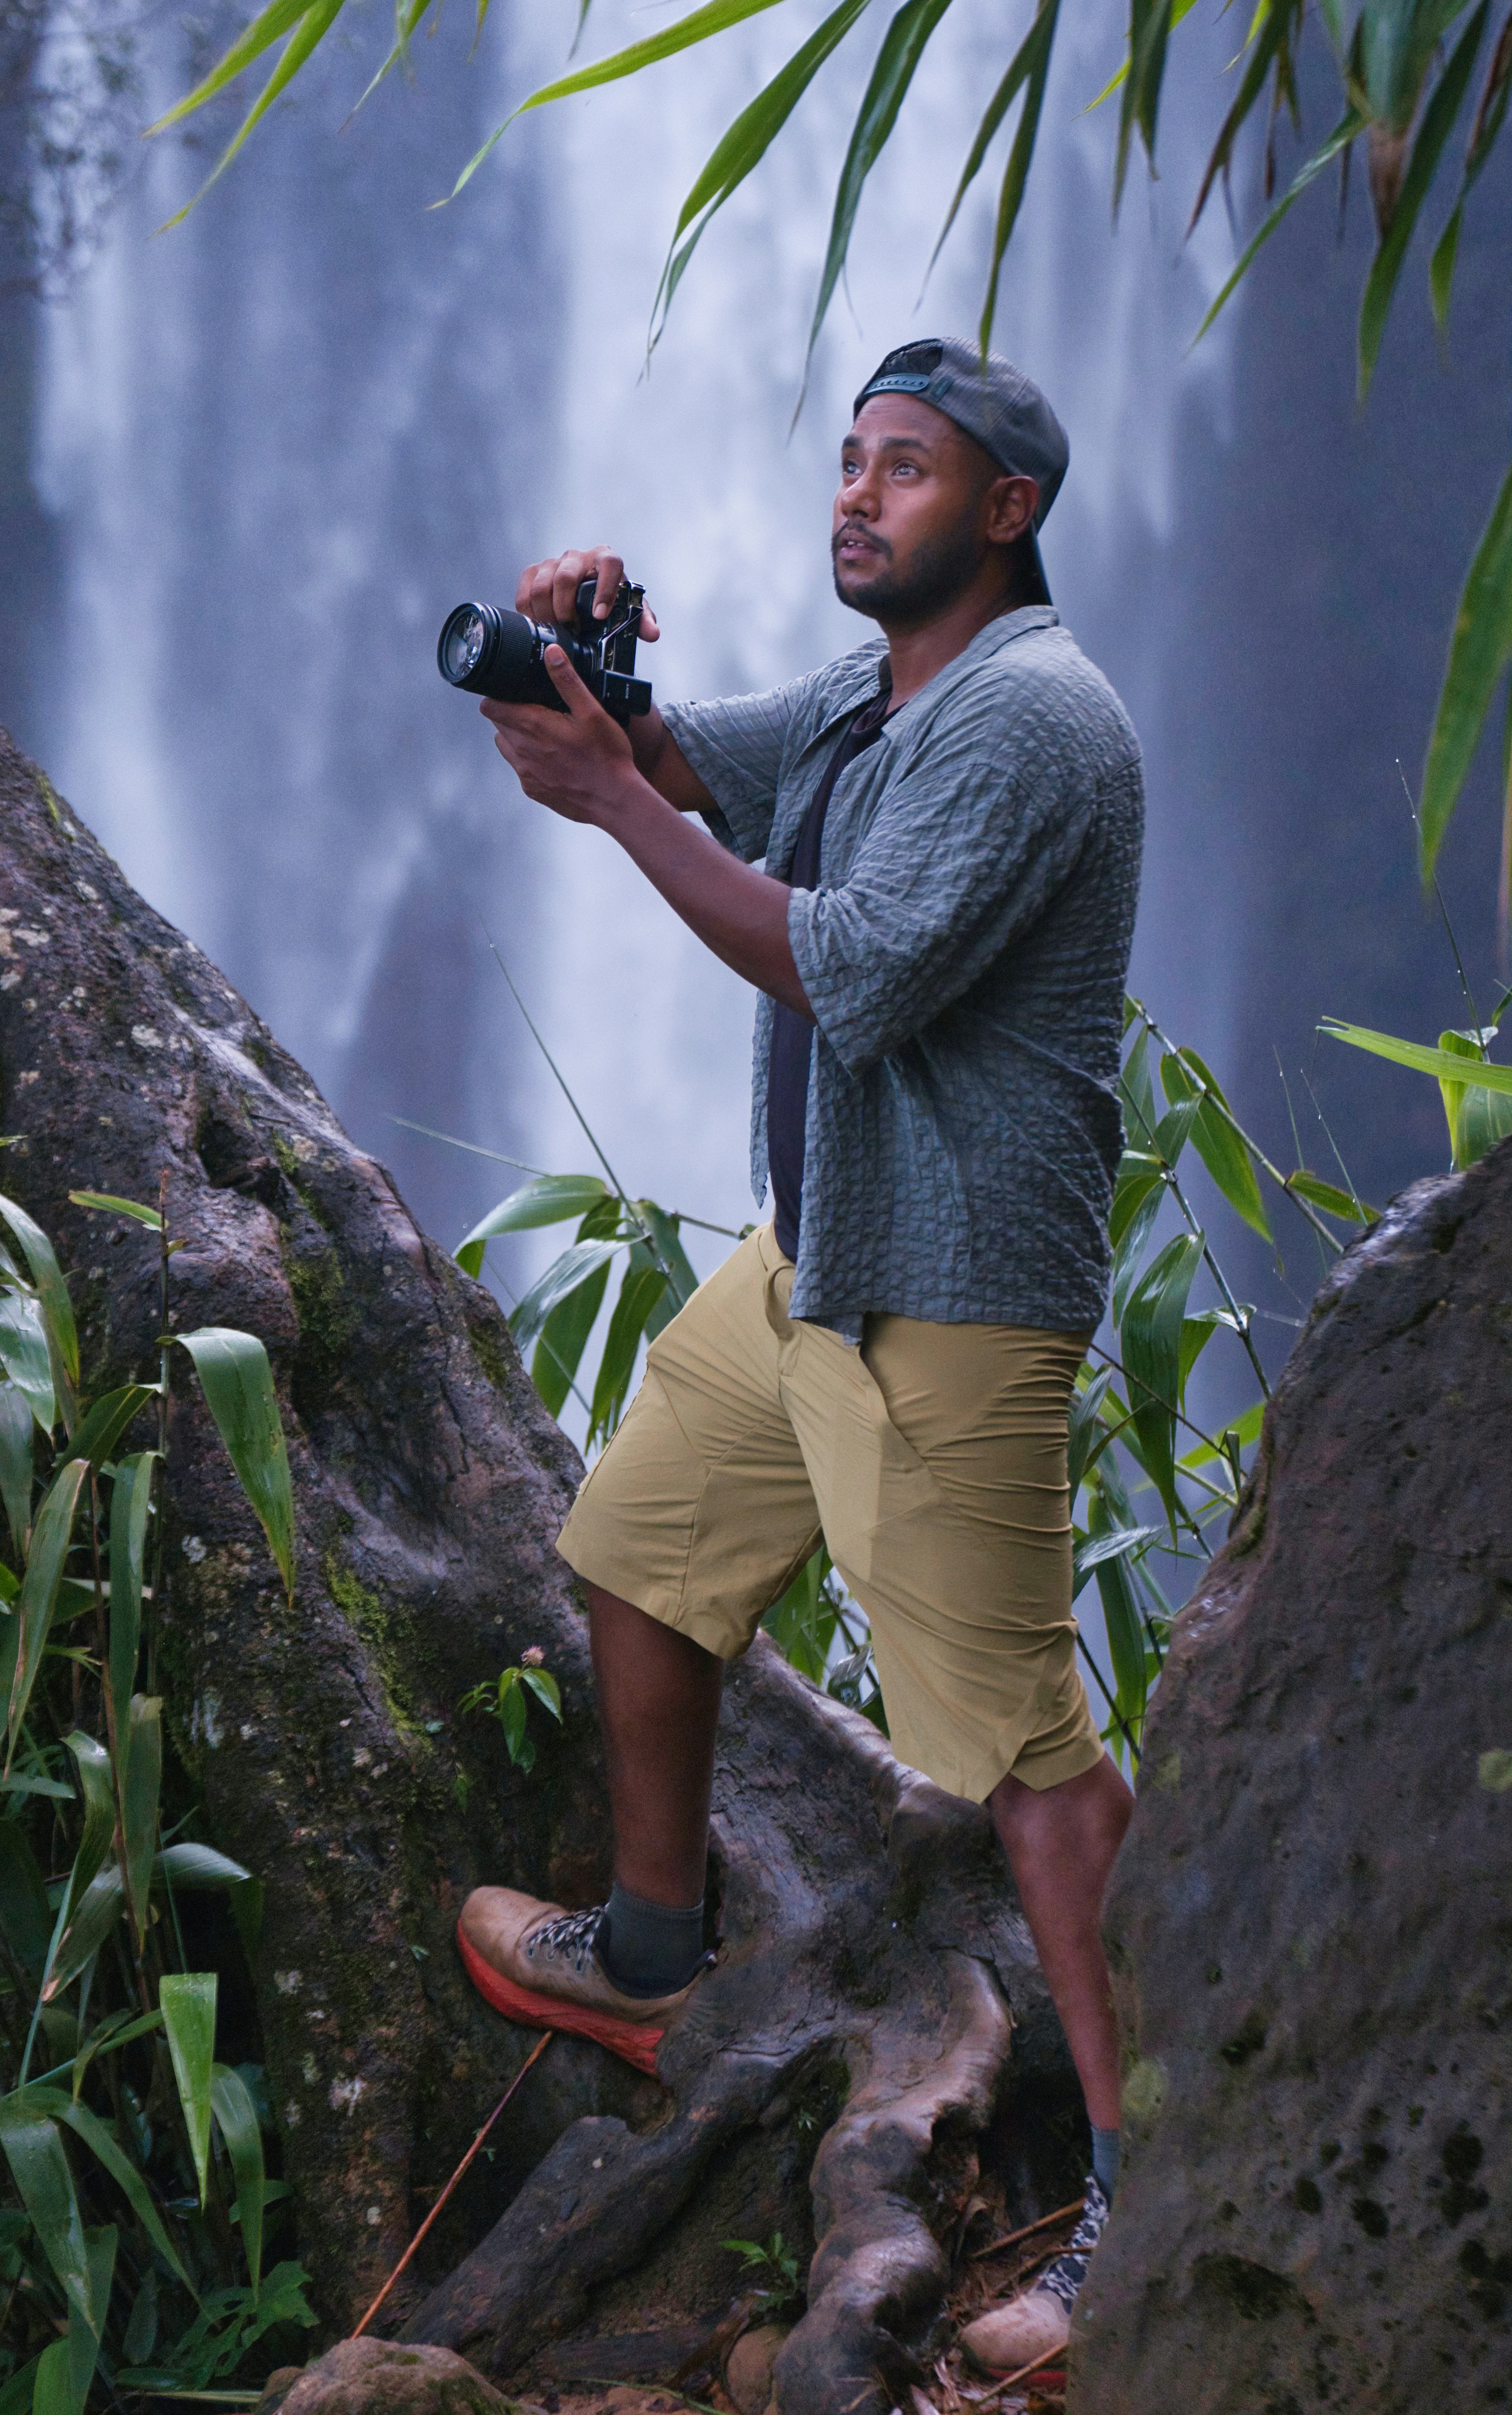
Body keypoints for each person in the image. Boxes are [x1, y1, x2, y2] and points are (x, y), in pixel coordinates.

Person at [455, 337, 1143, 2372]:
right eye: (847, 463)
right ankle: (649, 1949)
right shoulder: (876, 689)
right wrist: (572, 688)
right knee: (637, 1549)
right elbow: (681, 773)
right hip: (814, 1257)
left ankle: (1152, 2197)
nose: (854, 496)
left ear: (1001, 512)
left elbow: (841, 963)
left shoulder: (1033, 721)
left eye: (904, 470)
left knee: (1026, 1773)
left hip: (946, 1294)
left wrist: (600, 804)